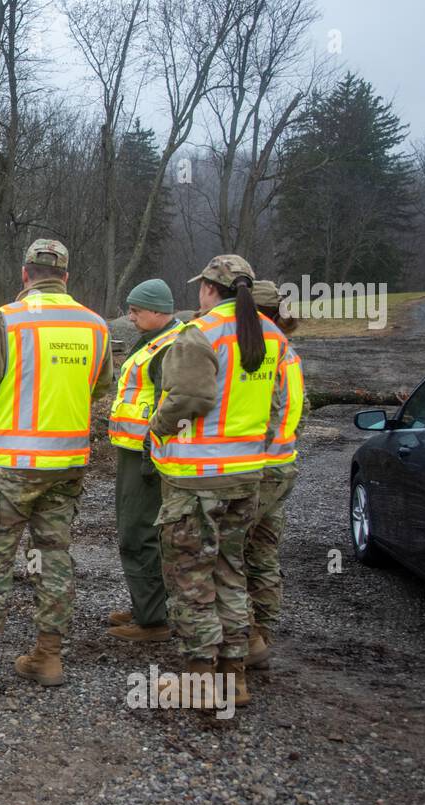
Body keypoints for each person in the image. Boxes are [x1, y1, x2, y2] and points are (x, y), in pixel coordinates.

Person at [0, 239, 113, 694]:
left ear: (24, 274)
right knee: (54, 558)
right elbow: (99, 389)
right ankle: (48, 657)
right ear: (67, 277)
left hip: (10, 466)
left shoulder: (6, 321)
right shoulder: (95, 326)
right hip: (68, 464)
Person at [148, 255, 287, 709]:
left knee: (191, 578)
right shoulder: (272, 337)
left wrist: (159, 426)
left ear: (210, 288)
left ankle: (201, 682)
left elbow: (190, 397)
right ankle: (234, 677)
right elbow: (279, 409)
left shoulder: (201, 333)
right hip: (246, 477)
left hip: (196, 479)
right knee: (231, 572)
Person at [106, 280, 184, 642]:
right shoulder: (157, 340)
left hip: (148, 453)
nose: (131, 317)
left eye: (137, 311)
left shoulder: (170, 348)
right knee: (144, 530)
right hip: (138, 449)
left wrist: (152, 447)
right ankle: (147, 605)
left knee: (139, 532)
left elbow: (174, 402)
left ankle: (152, 620)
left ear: (157, 311)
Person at [244, 280, 307, 669]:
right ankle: (262, 633)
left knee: (229, 552)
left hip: (258, 468)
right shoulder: (290, 354)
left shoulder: (264, 354)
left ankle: (247, 638)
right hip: (284, 465)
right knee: (263, 552)